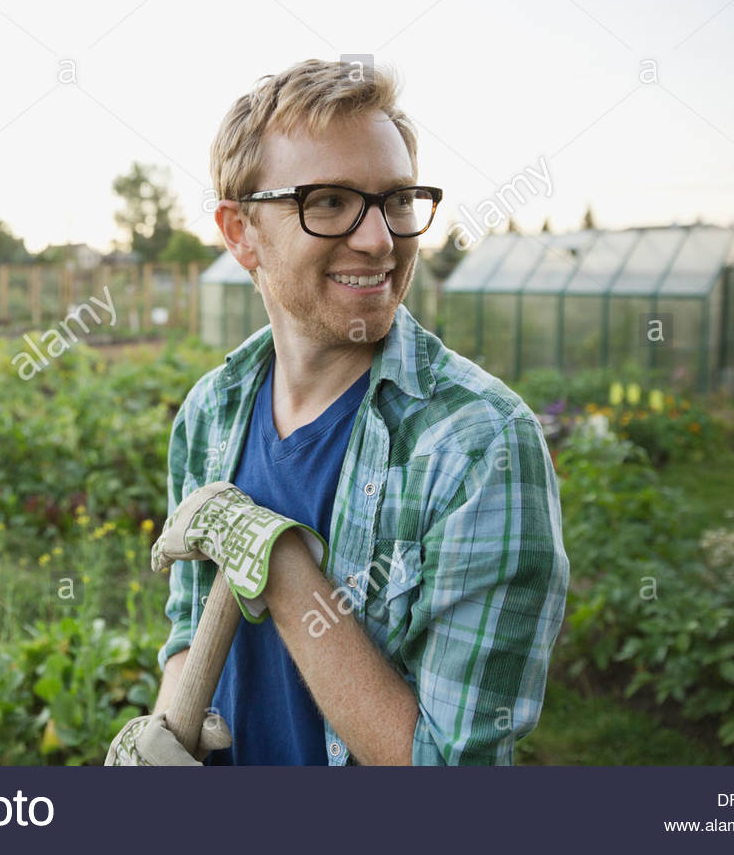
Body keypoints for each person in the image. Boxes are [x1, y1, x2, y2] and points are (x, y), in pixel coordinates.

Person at [105, 58, 569, 767]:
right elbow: (189, 627)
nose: (380, 239)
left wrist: (281, 567)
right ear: (241, 233)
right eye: (328, 203)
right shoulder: (211, 412)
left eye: (397, 200)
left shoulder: (480, 447)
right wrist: (167, 731)